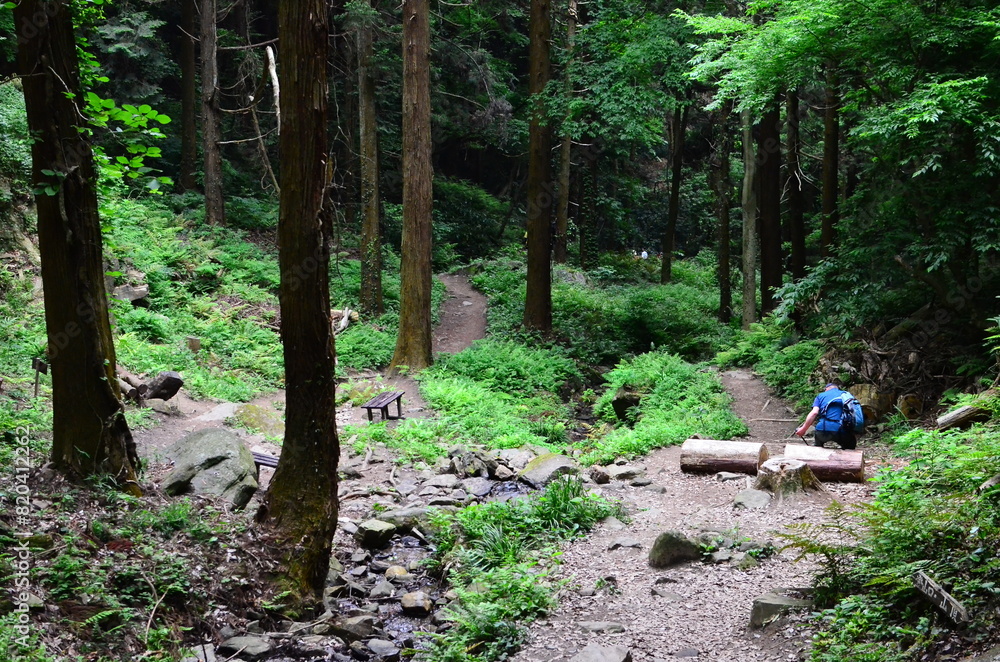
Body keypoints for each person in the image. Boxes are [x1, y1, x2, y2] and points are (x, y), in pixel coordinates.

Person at [795, 383, 857, 450]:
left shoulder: (821, 396)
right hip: (843, 430)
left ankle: (817, 451)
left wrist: (803, 429)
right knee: (850, 447)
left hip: (823, 430)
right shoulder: (847, 395)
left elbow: (814, 413)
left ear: (826, 389)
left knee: (818, 446)